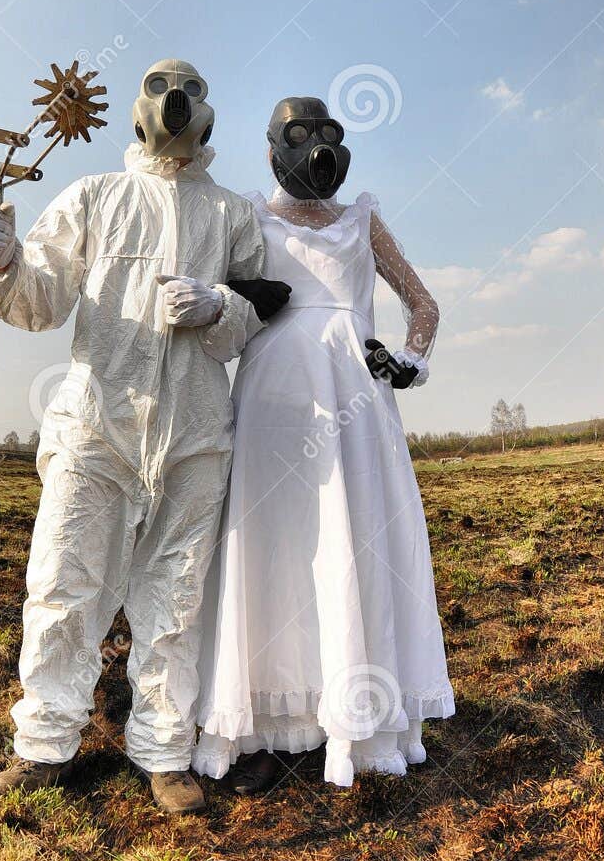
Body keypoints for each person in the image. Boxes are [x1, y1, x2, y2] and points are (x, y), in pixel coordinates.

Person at [0, 60, 289, 815]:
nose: (176, 102)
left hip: (196, 433)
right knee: (63, 582)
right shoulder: (95, 196)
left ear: (209, 114)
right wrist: (2, 258)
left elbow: (256, 314)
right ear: (139, 111)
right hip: (97, 424)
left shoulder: (233, 215)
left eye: (191, 90)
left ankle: (164, 750)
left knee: (176, 594)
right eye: (162, 88)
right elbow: (39, 300)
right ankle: (44, 744)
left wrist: (219, 307)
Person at [193, 95, 454, 792]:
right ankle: (265, 725)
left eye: (328, 135)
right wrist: (237, 297)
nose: (318, 149)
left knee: (356, 542)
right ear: (272, 146)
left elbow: (423, 303)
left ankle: (358, 716)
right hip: (274, 404)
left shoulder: (362, 219)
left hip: (357, 403)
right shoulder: (247, 215)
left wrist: (411, 360)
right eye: (300, 135)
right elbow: (222, 297)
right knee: (273, 546)